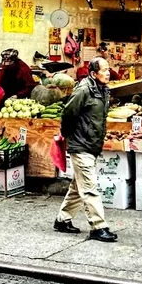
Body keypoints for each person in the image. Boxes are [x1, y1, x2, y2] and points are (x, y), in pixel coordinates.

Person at [53, 56, 117, 242]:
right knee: (89, 188)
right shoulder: (84, 89)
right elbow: (68, 112)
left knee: (77, 186)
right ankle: (98, 226)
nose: (108, 72)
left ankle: (62, 220)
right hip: (80, 144)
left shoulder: (103, 90)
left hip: (91, 145)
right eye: (104, 70)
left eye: (108, 69)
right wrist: (67, 134)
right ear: (93, 73)